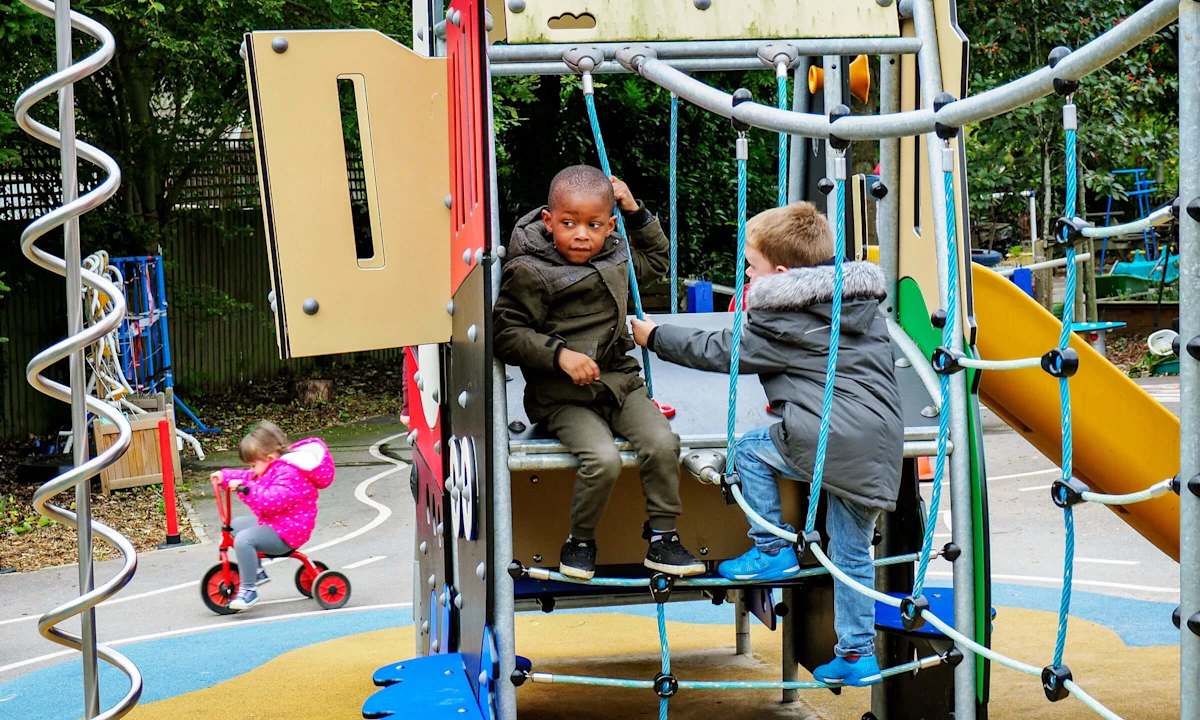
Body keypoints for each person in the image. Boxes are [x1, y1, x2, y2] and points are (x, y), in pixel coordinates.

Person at [631, 201, 903, 686]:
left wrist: (653, 337)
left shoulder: (781, 315)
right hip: (878, 446)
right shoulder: (860, 305)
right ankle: (857, 653)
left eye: (751, 268)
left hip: (823, 441)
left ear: (780, 274)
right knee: (853, 553)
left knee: (747, 449)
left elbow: (718, 350)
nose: (747, 277)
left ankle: (771, 545)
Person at [493, 164, 704, 580]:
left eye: (593, 225)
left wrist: (636, 213)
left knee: (662, 444)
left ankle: (663, 538)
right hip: (562, 396)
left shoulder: (616, 255)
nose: (581, 235)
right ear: (548, 221)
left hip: (619, 382)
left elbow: (657, 261)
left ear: (609, 226)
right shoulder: (531, 269)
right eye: (568, 224)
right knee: (602, 459)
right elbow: (506, 331)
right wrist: (559, 355)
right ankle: (580, 540)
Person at [211, 421, 336, 610]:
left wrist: (248, 491)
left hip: (289, 532)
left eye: (253, 465)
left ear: (269, 458)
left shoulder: (290, 475)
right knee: (235, 526)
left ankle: (248, 590)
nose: (251, 469)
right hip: (277, 524)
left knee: (244, 539)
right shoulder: (272, 467)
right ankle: (256, 570)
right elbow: (250, 477)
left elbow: (270, 502)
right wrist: (226, 477)